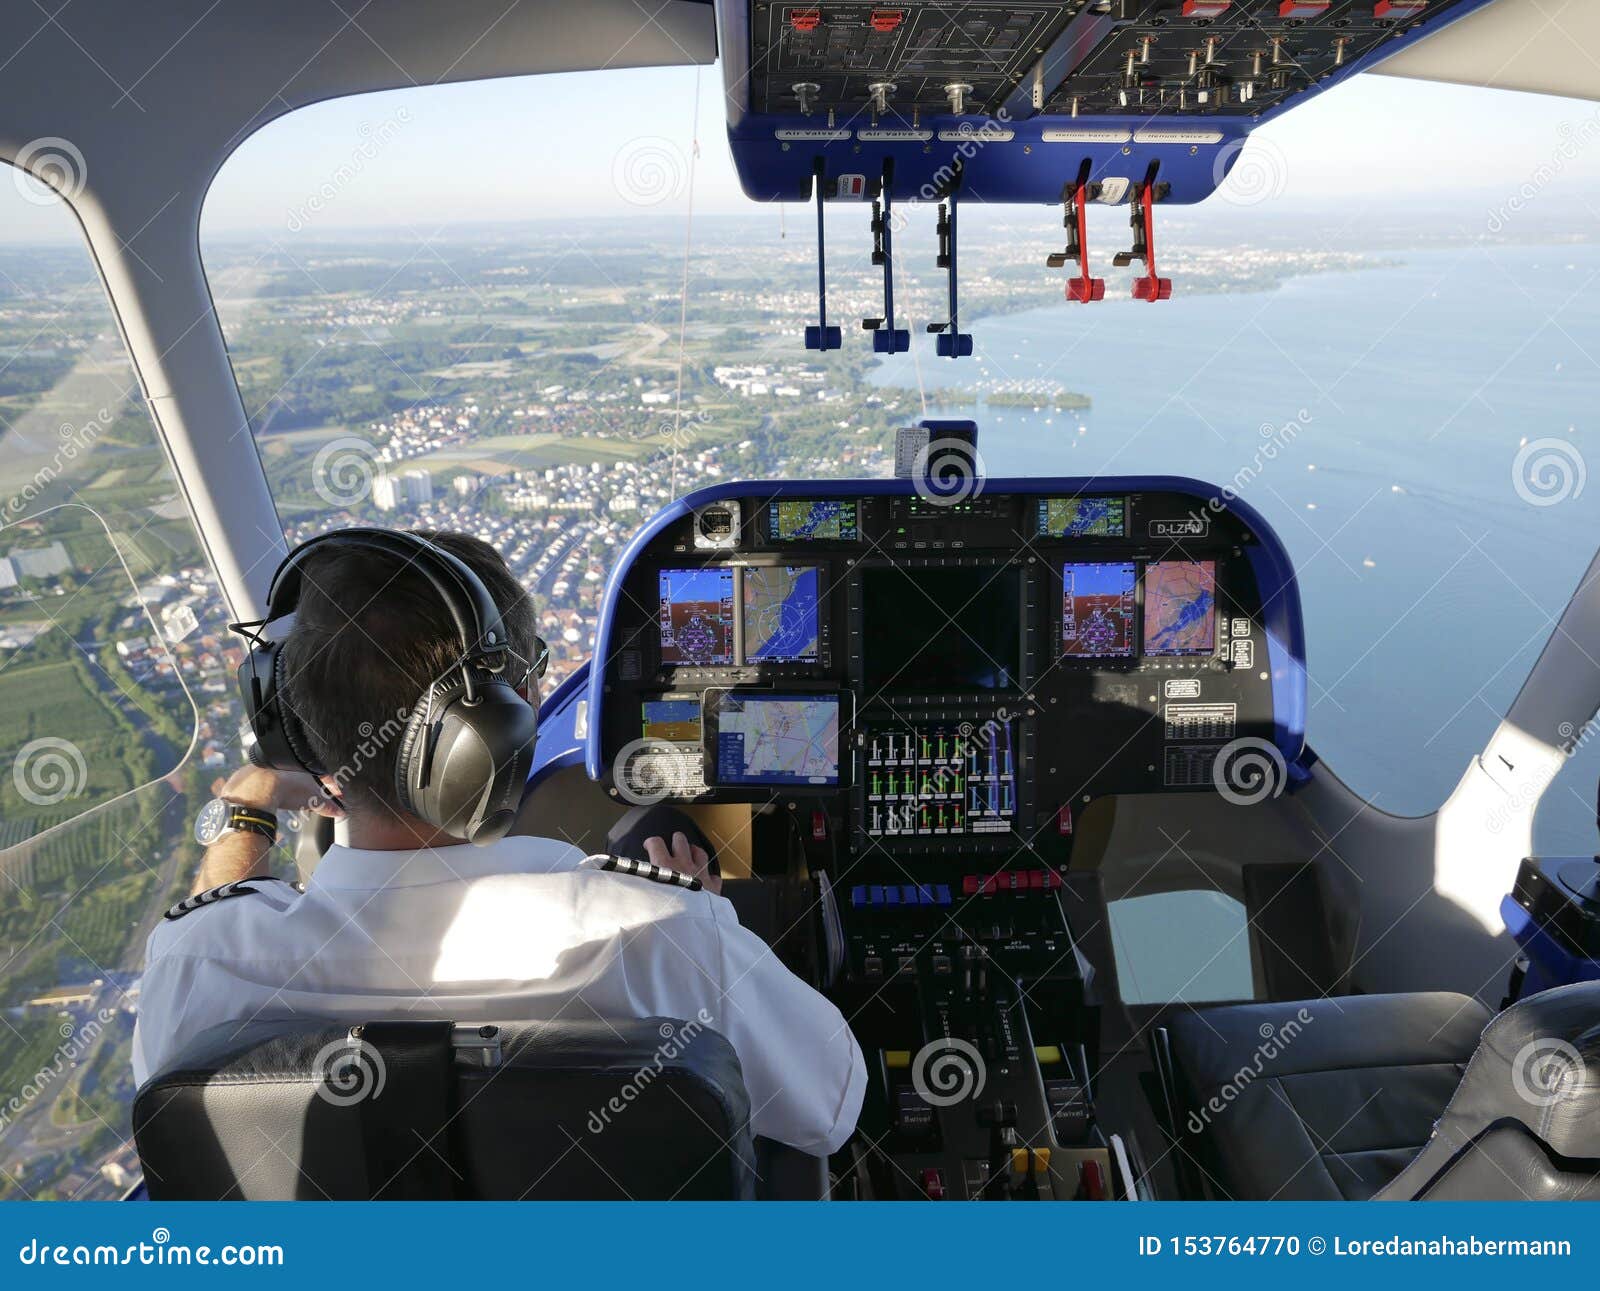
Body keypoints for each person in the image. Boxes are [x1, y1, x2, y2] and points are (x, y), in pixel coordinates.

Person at [132, 529, 865, 1159]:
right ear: (499, 727)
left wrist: (251, 814)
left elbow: (216, 928)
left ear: (287, 726)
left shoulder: (197, 965)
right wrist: (712, 926)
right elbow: (832, 1106)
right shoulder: (657, 937)